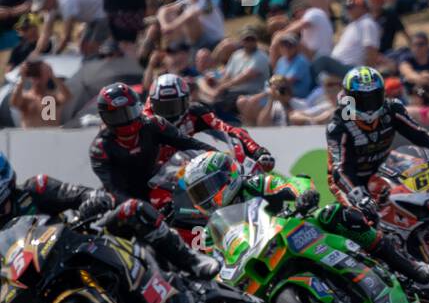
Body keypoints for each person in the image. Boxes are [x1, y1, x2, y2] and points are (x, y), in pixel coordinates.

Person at [178, 151, 429, 290]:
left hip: (295, 232)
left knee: (334, 214)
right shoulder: (214, 228)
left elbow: (293, 182)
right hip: (259, 261)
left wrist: (304, 195)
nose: (209, 198)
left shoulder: (255, 184)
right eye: (200, 194)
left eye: (210, 187)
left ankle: (407, 265)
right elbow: (216, 259)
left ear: (228, 177)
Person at [0, 155, 217, 280]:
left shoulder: (36, 188)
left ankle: (191, 261)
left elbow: (85, 194)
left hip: (79, 245)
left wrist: (92, 201)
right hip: (39, 285)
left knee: (133, 209)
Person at [325, 65, 429, 217]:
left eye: (373, 97)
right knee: (364, 219)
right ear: (348, 98)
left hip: (383, 166)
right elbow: (340, 169)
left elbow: (419, 134)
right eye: (361, 99)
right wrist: (357, 194)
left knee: (424, 181)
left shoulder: (392, 108)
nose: (368, 105)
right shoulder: (338, 125)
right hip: (349, 178)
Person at [89, 83, 216, 202]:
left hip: (156, 184)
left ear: (139, 107)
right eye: (117, 116)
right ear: (104, 118)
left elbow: (190, 143)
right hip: (124, 198)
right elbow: (113, 189)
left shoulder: (153, 124)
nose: (126, 120)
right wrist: (137, 206)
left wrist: (218, 156)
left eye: (130, 112)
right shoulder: (100, 148)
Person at [145, 73, 275, 169]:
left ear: (186, 102)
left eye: (174, 106)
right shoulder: (144, 122)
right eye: (164, 107)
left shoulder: (196, 112)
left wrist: (258, 151)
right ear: (153, 104)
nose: (170, 113)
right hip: (155, 178)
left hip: (192, 172)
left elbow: (230, 130)